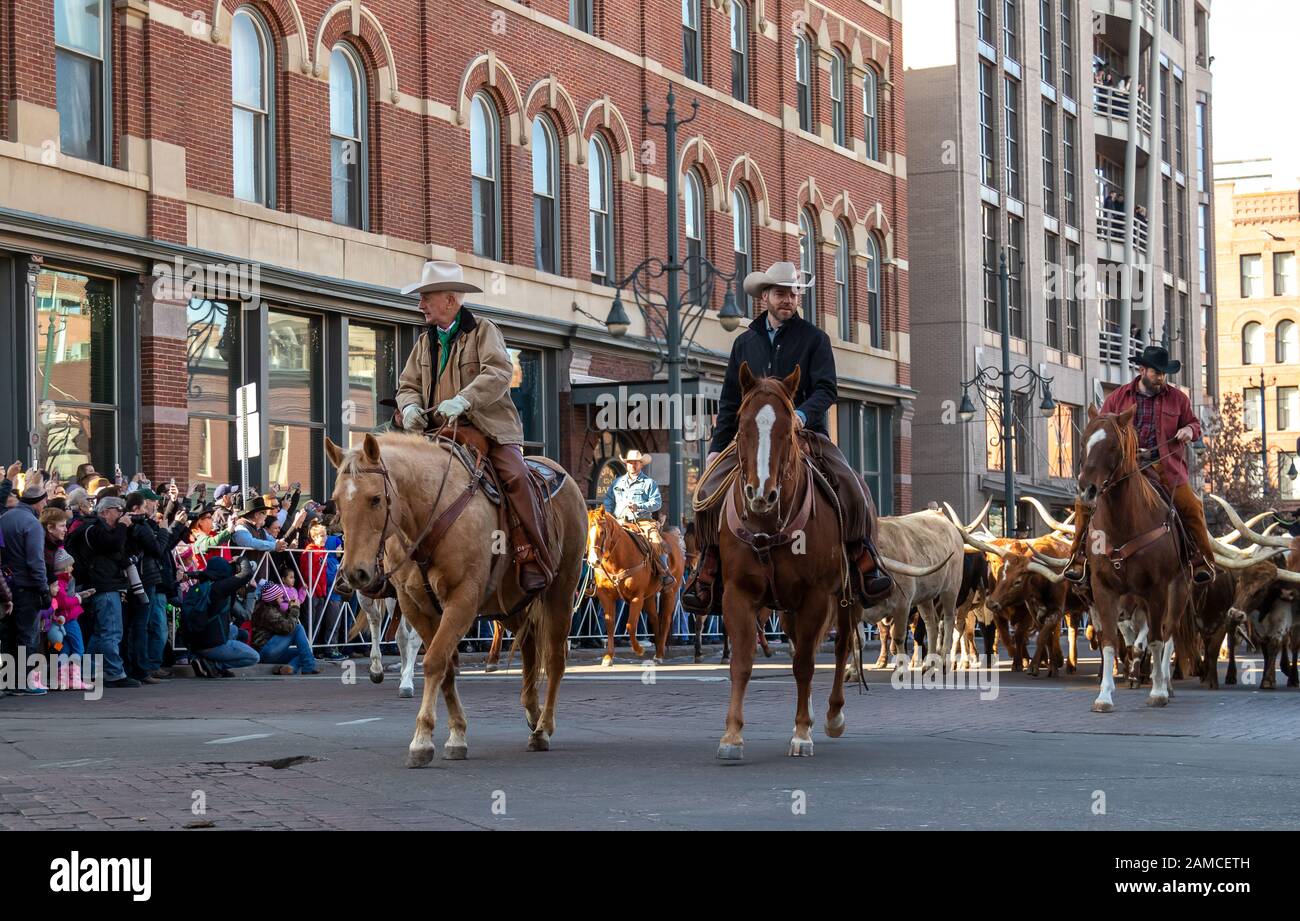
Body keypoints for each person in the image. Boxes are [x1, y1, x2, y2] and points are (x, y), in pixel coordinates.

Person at [682, 261, 894, 615]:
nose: (789, 299)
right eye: (781, 293)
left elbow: (827, 388)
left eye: (794, 292)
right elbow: (731, 400)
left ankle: (864, 559)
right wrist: (717, 448)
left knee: (852, 486)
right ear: (765, 296)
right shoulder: (744, 343)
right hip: (752, 440)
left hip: (805, 434)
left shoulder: (814, 339)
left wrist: (801, 415)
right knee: (705, 493)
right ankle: (708, 568)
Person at [394, 260, 553, 594]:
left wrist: (465, 399)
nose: (420, 304)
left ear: (450, 300)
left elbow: (498, 372)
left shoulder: (484, 330)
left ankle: (530, 553)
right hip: (436, 434)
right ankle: (388, 564)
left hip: (488, 430)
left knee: (516, 476)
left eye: (426, 297)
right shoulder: (425, 342)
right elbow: (407, 384)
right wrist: (409, 407)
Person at [1062, 345, 1217, 585]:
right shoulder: (1118, 397)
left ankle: (1201, 560)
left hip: (1165, 466)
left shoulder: (1178, 399)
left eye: (1164, 373)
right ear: (1142, 370)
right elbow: (1103, 427)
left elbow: (1194, 424)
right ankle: (1079, 556)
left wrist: (1188, 430)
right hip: (1123, 468)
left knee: (1192, 507)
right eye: (1157, 373)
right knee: (1085, 503)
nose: (1162, 378)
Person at [77, 496, 141, 688]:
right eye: (118, 510)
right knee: (111, 632)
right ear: (104, 512)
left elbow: (125, 550)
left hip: (107, 584)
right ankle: (115, 673)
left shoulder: (110, 531)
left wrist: (127, 529)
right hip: (104, 585)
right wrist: (122, 527)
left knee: (100, 633)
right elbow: (112, 544)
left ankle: (87, 672)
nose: (122, 514)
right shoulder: (94, 529)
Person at [1, 480, 52, 694]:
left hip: (7, 585)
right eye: (44, 501)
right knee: (28, 636)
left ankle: (9, 680)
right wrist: (44, 589)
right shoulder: (31, 524)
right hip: (27, 585)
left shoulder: (4, 518)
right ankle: (25, 681)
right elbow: (35, 561)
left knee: (9, 636)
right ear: (38, 502)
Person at [602, 450, 674, 588]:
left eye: (636, 463)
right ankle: (597, 577)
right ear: (626, 464)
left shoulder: (649, 483)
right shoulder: (617, 482)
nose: (632, 465)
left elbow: (657, 503)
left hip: (643, 522)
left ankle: (664, 573)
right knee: (600, 540)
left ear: (641, 465)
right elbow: (609, 502)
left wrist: (639, 506)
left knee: (656, 541)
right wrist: (608, 516)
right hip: (619, 522)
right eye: (630, 463)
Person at [185, 556, 260, 676]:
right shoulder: (219, 588)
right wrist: (240, 559)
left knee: (238, 632)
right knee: (254, 657)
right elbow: (247, 573)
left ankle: (200, 658)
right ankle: (214, 665)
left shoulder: (203, 586)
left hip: (195, 642)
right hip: (211, 645)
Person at [252, 565, 319, 674]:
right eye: (279, 596)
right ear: (272, 598)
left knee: (304, 652)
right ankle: (309, 667)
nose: (281, 598)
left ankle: (289, 668)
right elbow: (288, 628)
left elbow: (282, 625)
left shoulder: (269, 607)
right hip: (265, 650)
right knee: (297, 628)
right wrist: (295, 609)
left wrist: (290, 610)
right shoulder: (268, 612)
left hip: (271, 650)